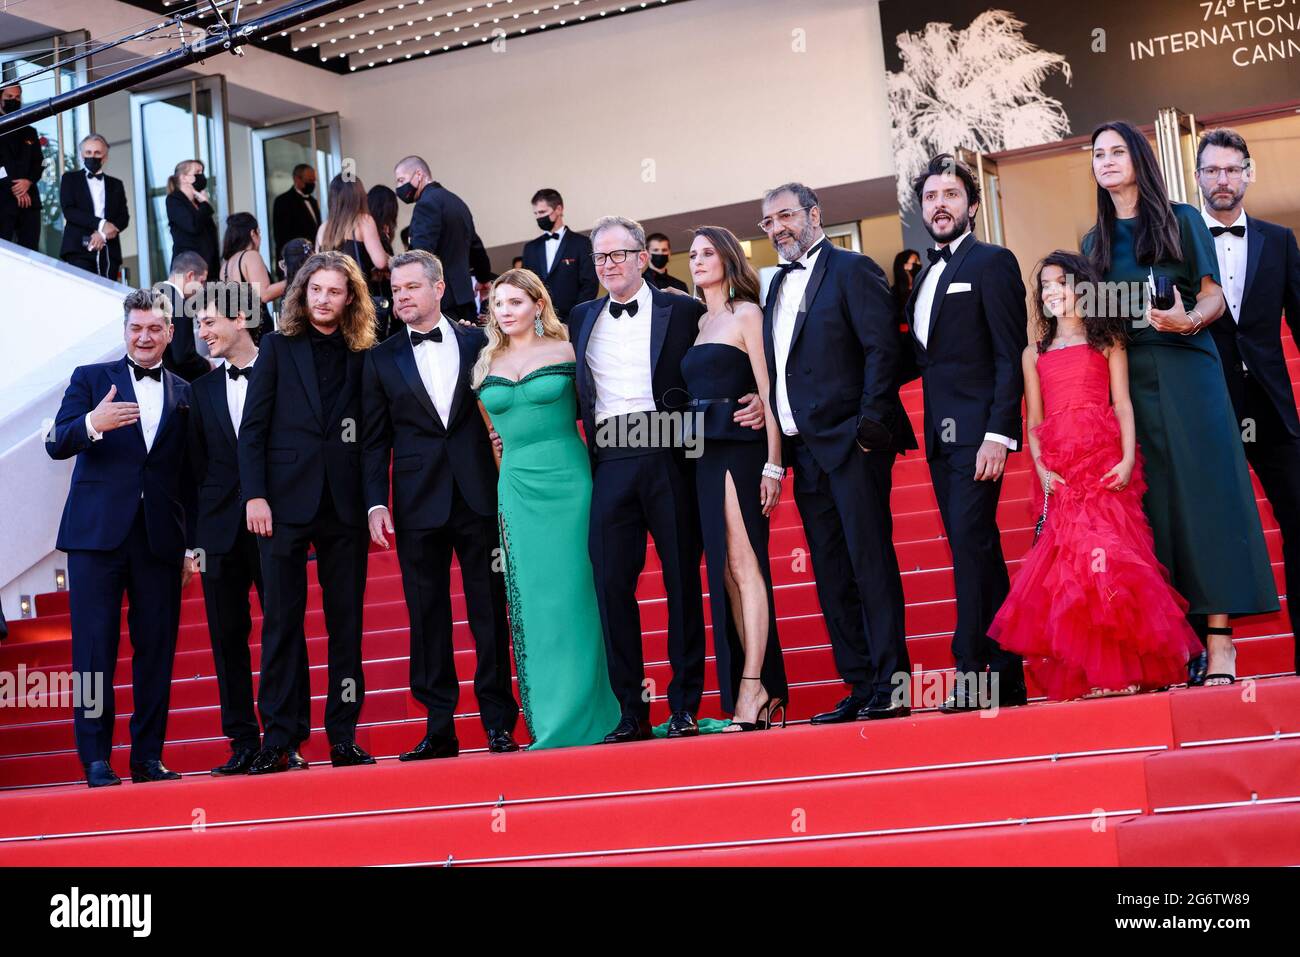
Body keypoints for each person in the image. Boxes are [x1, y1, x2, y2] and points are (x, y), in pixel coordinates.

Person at [1084, 120, 1277, 687]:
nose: (1108, 161)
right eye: (1099, 154)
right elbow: (1099, 325)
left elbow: (1214, 295)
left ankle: (1220, 646)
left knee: (1208, 500)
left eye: (1118, 151)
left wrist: (1187, 318)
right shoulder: (1093, 243)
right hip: (1132, 379)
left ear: (1140, 159)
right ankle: (1175, 642)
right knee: (1154, 511)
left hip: (1190, 366)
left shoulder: (1183, 219)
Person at [568, 215, 764, 742]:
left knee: (682, 582)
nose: (608, 265)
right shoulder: (581, 316)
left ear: (640, 257)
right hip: (610, 459)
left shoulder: (685, 309)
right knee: (611, 584)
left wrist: (755, 400)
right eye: (599, 257)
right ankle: (630, 711)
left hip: (673, 454)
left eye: (617, 255)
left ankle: (683, 706)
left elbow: (721, 360)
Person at [988, 251, 1203, 699]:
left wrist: (1126, 459)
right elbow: (1033, 421)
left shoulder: (1108, 341)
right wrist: (1043, 468)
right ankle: (1093, 672)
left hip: (1104, 460)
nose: (1051, 292)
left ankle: (1125, 667)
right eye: (1044, 286)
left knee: (1114, 559)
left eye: (1060, 283)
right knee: (1074, 569)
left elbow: (1123, 404)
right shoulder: (1035, 353)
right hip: (1061, 468)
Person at [760, 183, 915, 724]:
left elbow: (883, 347)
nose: (777, 227)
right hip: (804, 450)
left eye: (785, 215)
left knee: (869, 561)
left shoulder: (852, 269)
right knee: (830, 570)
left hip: (852, 443)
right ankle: (860, 683)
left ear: (813, 214)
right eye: (768, 221)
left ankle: (892, 686)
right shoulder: (775, 286)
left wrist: (869, 426)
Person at [361, 251, 521, 758]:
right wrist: (374, 503)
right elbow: (370, 439)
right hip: (416, 502)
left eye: (412, 286)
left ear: (438, 286)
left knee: (488, 613)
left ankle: (499, 722)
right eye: (396, 289)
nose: (402, 296)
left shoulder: (481, 340)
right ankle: (438, 728)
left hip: (478, 494)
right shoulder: (379, 357)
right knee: (426, 616)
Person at [45, 289, 196, 788]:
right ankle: (95, 759)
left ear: (170, 332)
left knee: (157, 651)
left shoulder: (184, 391)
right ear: (125, 330)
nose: (145, 336)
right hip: (96, 539)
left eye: (155, 328)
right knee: (93, 652)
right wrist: (93, 423)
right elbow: (56, 442)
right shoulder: (91, 379)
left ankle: (147, 758)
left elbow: (188, 478)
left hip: (159, 541)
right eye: (136, 328)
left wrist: (191, 544)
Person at [238, 251, 377, 773]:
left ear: (350, 298)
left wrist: (371, 503)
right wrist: (254, 495)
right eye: (315, 289)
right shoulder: (276, 348)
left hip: (343, 509)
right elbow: (252, 428)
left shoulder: (366, 354)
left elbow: (370, 440)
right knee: (280, 623)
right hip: (282, 505)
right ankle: (279, 736)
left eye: (334, 291)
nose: (324, 299)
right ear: (302, 293)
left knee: (347, 625)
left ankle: (343, 734)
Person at [472, 267, 620, 748]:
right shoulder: (483, 363)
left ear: (538, 304)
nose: (505, 312)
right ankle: (550, 719)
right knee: (533, 601)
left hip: (570, 481)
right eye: (498, 304)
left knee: (576, 595)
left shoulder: (568, 351)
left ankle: (593, 713)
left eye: (515, 302)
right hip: (516, 487)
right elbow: (493, 438)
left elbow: (602, 405)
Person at [902, 155, 1028, 713]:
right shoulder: (924, 274)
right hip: (940, 438)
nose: (940, 205)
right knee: (976, 548)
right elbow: (921, 358)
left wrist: (1000, 434)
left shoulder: (994, 262)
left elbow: (1010, 353)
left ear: (972, 205)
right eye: (931, 197)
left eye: (951, 194)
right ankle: (1007, 674)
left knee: (971, 547)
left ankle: (971, 670)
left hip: (979, 437)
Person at [1196, 128, 1300, 678]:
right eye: (1212, 170)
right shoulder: (1181, 242)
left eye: (1232, 169)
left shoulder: (1279, 240)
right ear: (1198, 177)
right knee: (1206, 525)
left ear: (1248, 173)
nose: (1223, 180)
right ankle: (1213, 652)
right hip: (1207, 404)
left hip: (1271, 404)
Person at [682, 226, 788, 731]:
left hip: (741, 455)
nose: (698, 261)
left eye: (707, 253)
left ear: (727, 258)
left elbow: (768, 394)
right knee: (725, 571)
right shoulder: (698, 321)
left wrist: (773, 463)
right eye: (693, 254)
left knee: (745, 565)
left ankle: (750, 689)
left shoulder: (747, 314)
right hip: (703, 454)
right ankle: (761, 686)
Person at [188, 284, 283, 774]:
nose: (202, 333)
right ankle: (242, 741)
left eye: (208, 322)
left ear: (240, 318)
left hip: (274, 526)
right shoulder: (199, 391)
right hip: (219, 534)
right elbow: (196, 468)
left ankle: (283, 739)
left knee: (281, 633)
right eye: (199, 326)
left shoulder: (282, 373)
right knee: (227, 639)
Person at [394, 155, 481, 323]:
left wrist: (403, 292)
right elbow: (475, 245)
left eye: (401, 180)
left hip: (442, 302)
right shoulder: (457, 202)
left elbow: (420, 254)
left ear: (418, 175)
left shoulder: (426, 204)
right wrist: (483, 277)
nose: (398, 187)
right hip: (465, 297)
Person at [318, 174, 390, 336]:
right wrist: (392, 259)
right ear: (358, 196)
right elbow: (380, 261)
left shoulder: (324, 228)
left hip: (331, 301)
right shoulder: (363, 221)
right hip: (357, 298)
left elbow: (315, 267)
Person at [519, 188, 598, 326]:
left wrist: (574, 319)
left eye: (542, 212)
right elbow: (526, 287)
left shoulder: (581, 243)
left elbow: (589, 285)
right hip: (539, 322)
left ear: (559, 209)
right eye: (536, 213)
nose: (538, 217)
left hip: (573, 321)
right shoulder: (530, 248)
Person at [59, 134, 129, 281]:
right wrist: (101, 224)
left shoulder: (116, 184)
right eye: (88, 153)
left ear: (105, 157)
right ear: (81, 155)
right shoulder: (70, 179)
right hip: (78, 248)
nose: (92, 156)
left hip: (109, 249)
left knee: (109, 294)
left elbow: (123, 217)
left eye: (97, 153)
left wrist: (102, 235)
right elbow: (69, 211)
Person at [220, 212, 283, 333]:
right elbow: (264, 294)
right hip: (259, 328)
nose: (260, 238)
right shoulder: (250, 256)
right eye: (259, 232)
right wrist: (296, 280)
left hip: (240, 331)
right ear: (252, 233)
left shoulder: (225, 265)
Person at [155, 250, 213, 383]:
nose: (202, 288)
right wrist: (208, 365)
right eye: (202, 281)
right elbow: (183, 356)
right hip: (174, 384)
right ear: (190, 276)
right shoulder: (179, 304)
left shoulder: (152, 295)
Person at [0, 83, 44, 250]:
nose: (14, 100)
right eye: (9, 97)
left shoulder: (29, 131)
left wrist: (28, 182)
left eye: (17, 97)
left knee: (31, 251)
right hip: (3, 201)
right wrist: (16, 187)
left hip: (29, 202)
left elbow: (40, 162)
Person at [165, 159, 220, 279]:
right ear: (184, 178)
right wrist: (205, 204)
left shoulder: (199, 204)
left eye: (202, 171)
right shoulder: (174, 200)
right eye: (197, 172)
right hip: (188, 269)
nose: (202, 175)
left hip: (209, 270)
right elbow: (192, 226)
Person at [271, 163, 320, 270]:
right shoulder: (283, 201)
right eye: (309, 181)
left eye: (314, 181)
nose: (312, 184)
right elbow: (281, 237)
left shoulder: (313, 201)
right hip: (294, 262)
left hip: (313, 260)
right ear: (297, 179)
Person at [891, 248, 922, 327]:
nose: (919, 264)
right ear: (904, 266)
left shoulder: (923, 288)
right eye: (915, 261)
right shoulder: (893, 293)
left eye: (918, 261)